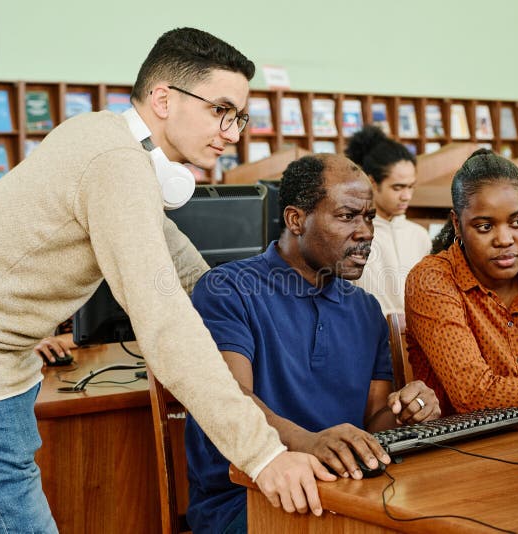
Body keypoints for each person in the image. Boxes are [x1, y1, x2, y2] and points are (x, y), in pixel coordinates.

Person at [0, 28, 330, 532]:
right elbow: (163, 321)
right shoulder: (116, 165)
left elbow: (181, 262)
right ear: (164, 99)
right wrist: (263, 455)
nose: (232, 132)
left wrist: (249, 308)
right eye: (220, 110)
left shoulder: (105, 138)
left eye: (238, 116)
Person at [185, 153, 441, 533]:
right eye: (347, 216)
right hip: (249, 496)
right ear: (296, 220)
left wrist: (406, 410)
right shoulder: (229, 289)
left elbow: (374, 423)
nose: (366, 231)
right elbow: (230, 397)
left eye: (368, 217)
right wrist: (307, 442)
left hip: (345, 491)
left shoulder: (364, 308)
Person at [404, 149, 518, 416]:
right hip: (464, 452)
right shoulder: (431, 280)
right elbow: (474, 393)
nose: (504, 239)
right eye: (485, 227)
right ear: (457, 224)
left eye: (517, 222)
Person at [345, 125, 431, 316]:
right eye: (398, 187)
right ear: (372, 182)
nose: (406, 196)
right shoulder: (351, 234)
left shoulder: (420, 235)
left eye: (411, 187)